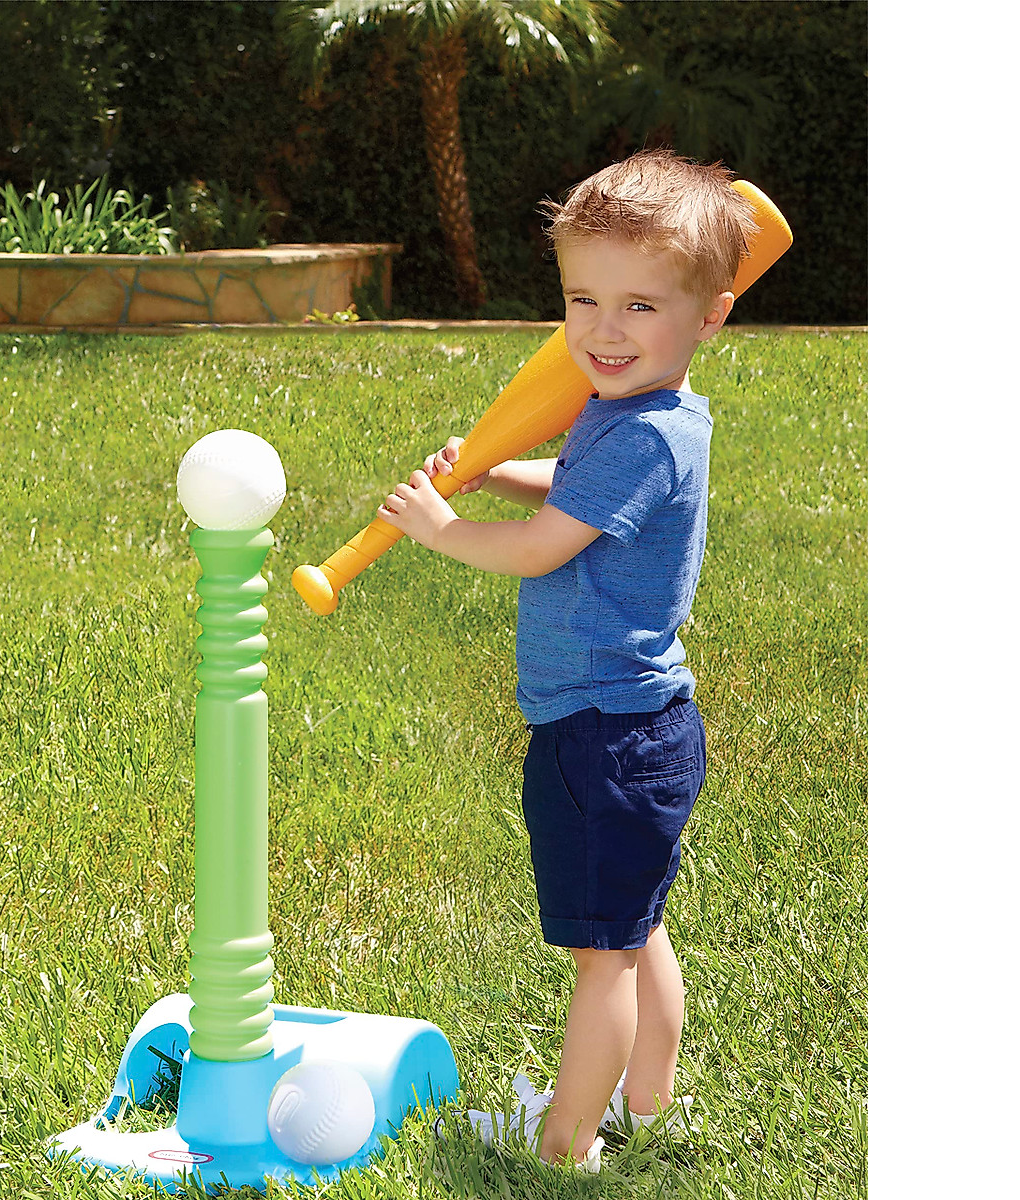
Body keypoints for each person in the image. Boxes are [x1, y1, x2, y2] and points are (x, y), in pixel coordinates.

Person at [377, 149, 758, 1171]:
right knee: (635, 933)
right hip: (637, 727)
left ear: (711, 316)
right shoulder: (640, 414)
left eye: (639, 306)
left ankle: (562, 1143)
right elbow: (575, 490)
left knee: (605, 961)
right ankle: (650, 1105)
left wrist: (441, 528)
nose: (602, 330)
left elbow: (546, 548)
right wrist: (499, 470)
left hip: (602, 736)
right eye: (583, 300)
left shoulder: (644, 435)